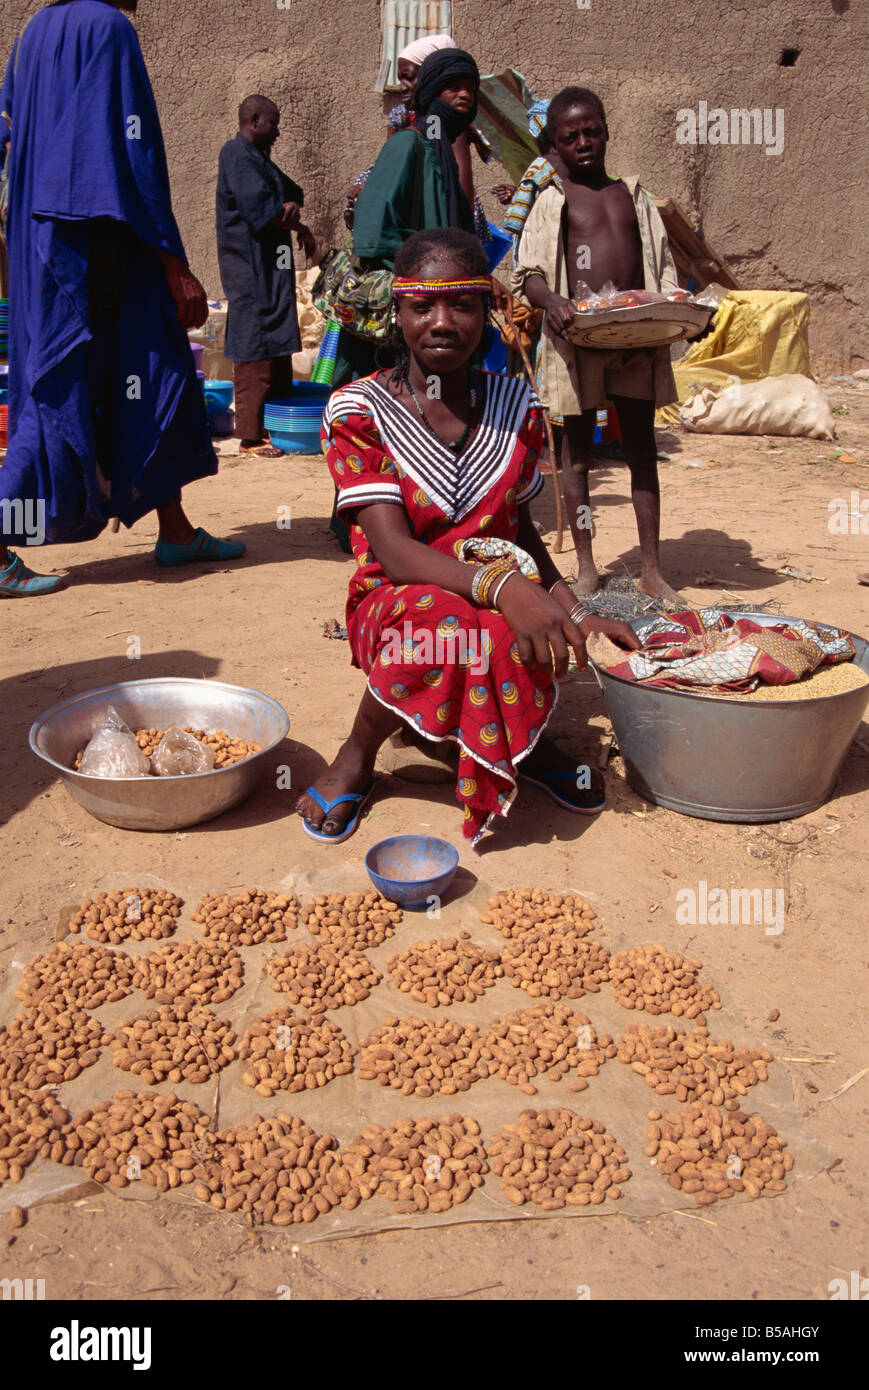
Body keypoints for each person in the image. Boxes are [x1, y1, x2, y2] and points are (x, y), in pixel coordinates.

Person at [296, 228, 639, 846]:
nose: (443, 322)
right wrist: (502, 586)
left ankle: (520, 746)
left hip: (500, 587)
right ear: (395, 313)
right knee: (451, 624)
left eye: (462, 304)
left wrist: (575, 611)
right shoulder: (358, 411)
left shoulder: (518, 406)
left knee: (516, 626)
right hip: (397, 598)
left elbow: (523, 534)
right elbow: (396, 554)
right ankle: (359, 750)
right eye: (422, 305)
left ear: (489, 310)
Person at [0, 0, 245, 596]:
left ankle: (176, 530)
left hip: (51, 240)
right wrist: (172, 262)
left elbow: (8, 129)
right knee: (59, 391)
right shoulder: (108, 27)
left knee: (148, 371)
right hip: (100, 244)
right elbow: (128, 157)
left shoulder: (35, 31)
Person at [514, 87, 682, 605]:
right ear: (556, 146)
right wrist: (554, 303)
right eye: (571, 136)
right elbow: (529, 275)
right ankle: (586, 567)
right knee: (577, 456)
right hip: (577, 342)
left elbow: (663, 267)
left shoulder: (632, 197)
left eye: (592, 131)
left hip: (634, 338)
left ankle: (651, 568)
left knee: (641, 451)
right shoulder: (553, 201)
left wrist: (675, 305)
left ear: (607, 131)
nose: (584, 142)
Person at [332, 46, 482, 391]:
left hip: (437, 316)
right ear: (431, 90)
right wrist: (432, 272)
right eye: (453, 86)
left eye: (471, 88)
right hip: (403, 323)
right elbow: (372, 233)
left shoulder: (444, 152)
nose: (464, 95)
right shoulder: (407, 146)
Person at [217, 95, 315, 458]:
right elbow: (264, 209)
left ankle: (276, 424)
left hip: (271, 267)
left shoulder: (259, 160)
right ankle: (250, 435)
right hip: (250, 267)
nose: (277, 131)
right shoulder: (236, 154)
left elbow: (292, 194)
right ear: (254, 120)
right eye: (272, 123)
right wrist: (287, 213)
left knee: (277, 337)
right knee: (255, 341)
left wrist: (294, 217)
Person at [343, 34, 494, 242]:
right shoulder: (407, 125)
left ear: (432, 77)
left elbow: (458, 203)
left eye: (410, 77)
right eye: (401, 78)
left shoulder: (448, 129)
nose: (403, 86)